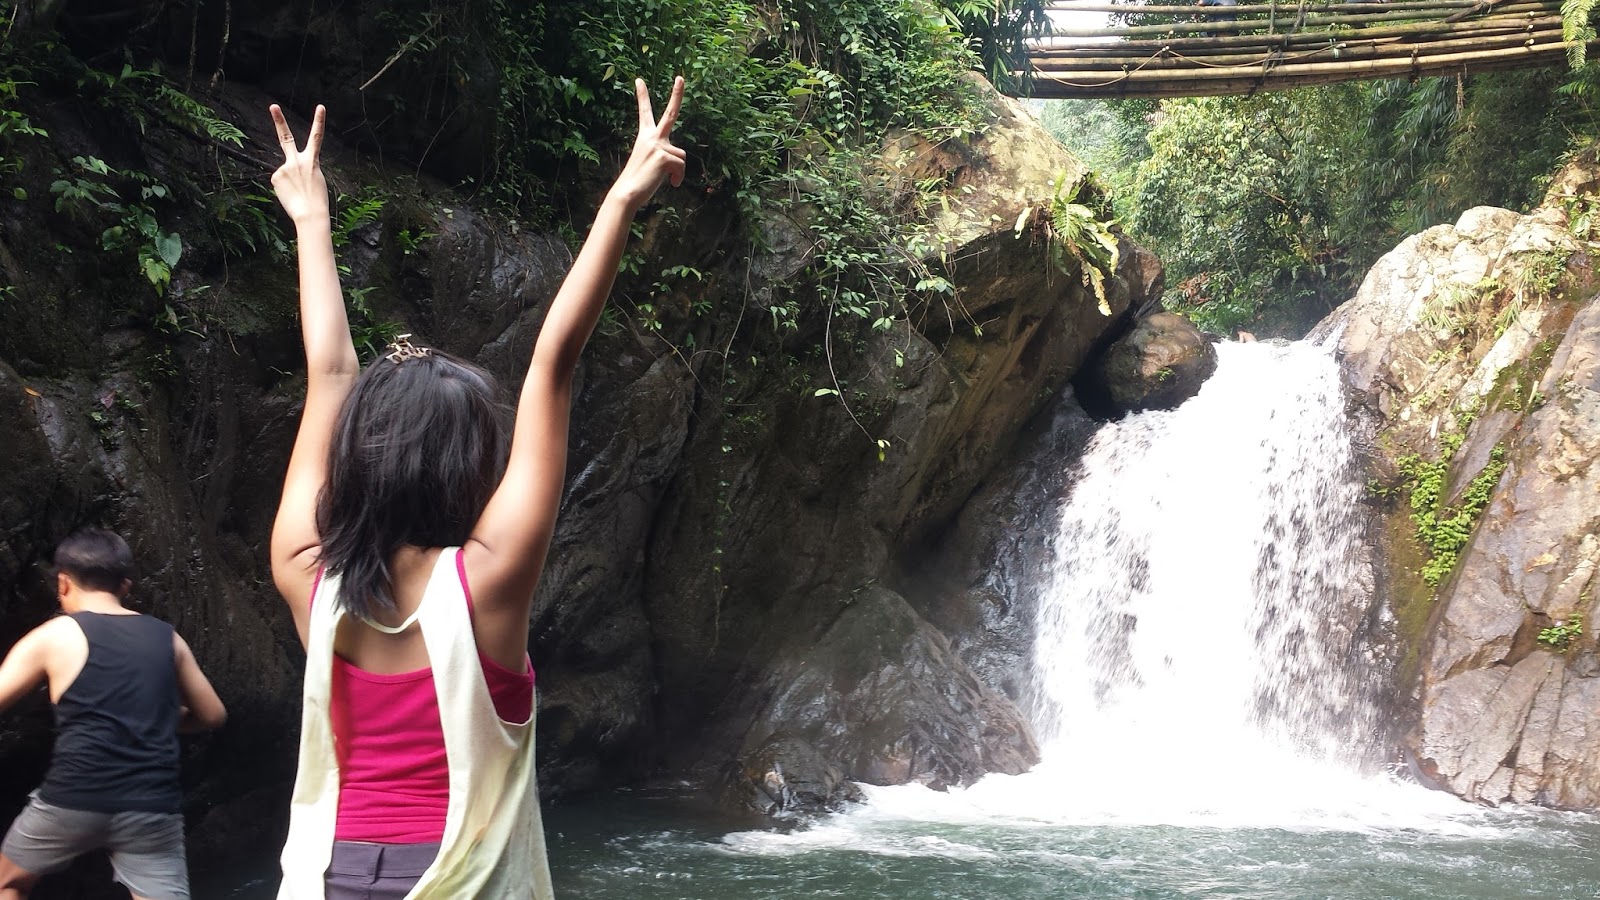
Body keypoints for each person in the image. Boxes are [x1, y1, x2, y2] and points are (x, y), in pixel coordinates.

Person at [267, 75, 686, 899]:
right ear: (470, 471)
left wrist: (310, 219)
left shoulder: (302, 574)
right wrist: (621, 202)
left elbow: (329, 376)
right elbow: (552, 367)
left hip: (327, 880)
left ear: (358, 455)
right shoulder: (489, 584)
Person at [0, 528, 228, 900]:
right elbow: (213, 715)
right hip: (151, 805)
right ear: (125, 586)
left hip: (73, 798)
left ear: (63, 583)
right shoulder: (167, 638)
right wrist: (157, 719)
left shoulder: (55, 635)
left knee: (8, 883)